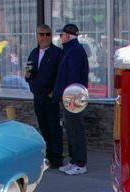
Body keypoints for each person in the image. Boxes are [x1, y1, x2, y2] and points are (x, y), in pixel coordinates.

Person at [53, 23, 89, 175]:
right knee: (70, 128)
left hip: (73, 97)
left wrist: (69, 96)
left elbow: (73, 77)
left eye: (61, 35)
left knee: (75, 129)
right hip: (69, 96)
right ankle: (74, 161)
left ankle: (80, 163)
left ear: (67, 36)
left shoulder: (74, 51)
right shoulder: (70, 50)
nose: (60, 37)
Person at [26, 24, 64, 168]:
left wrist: (55, 92)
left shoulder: (57, 53)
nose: (45, 37)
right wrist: (29, 81)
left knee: (55, 127)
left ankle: (57, 158)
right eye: (41, 34)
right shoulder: (34, 53)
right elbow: (29, 73)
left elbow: (61, 75)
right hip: (38, 96)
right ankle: (47, 155)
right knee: (44, 127)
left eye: (47, 34)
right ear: (37, 36)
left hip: (51, 97)